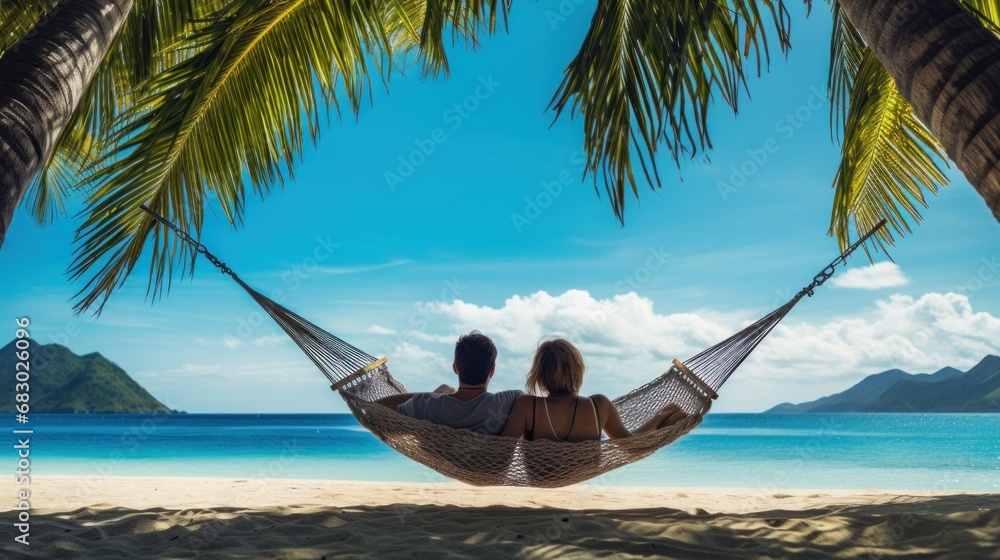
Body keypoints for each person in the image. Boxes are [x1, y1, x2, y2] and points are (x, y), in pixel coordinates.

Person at [500, 338, 687, 441]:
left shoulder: (526, 405)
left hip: (539, 474)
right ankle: (666, 417)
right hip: (584, 468)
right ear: (577, 369)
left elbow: (500, 454)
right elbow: (629, 444)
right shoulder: (599, 405)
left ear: (539, 374)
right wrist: (658, 418)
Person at [375, 331, 522, 435]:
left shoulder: (425, 404)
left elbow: (375, 409)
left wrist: (434, 395)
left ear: (455, 368)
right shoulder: (508, 401)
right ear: (492, 371)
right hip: (487, 467)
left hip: (441, 460)